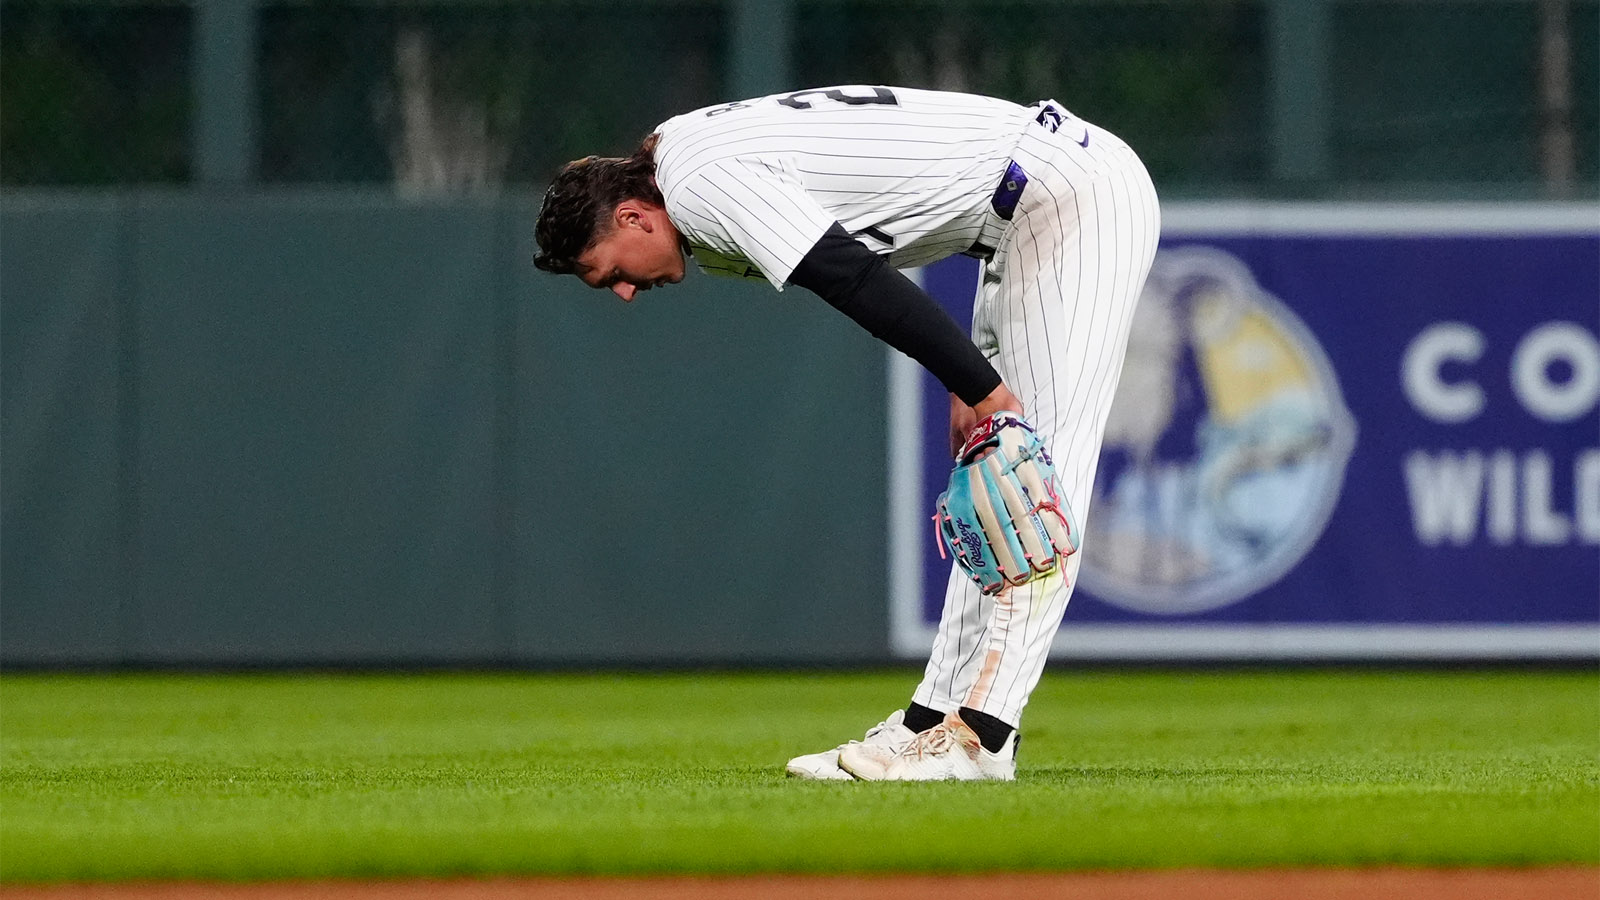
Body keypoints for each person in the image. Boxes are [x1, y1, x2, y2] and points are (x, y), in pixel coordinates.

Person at [534, 85, 1159, 781]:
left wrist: (986, 389)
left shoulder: (696, 184)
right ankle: (931, 720)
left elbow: (848, 275)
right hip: (1019, 217)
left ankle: (982, 737)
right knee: (995, 499)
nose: (622, 291)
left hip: (1067, 197)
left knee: (1035, 485)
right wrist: (968, 380)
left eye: (609, 271)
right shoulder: (679, 161)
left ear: (631, 216)